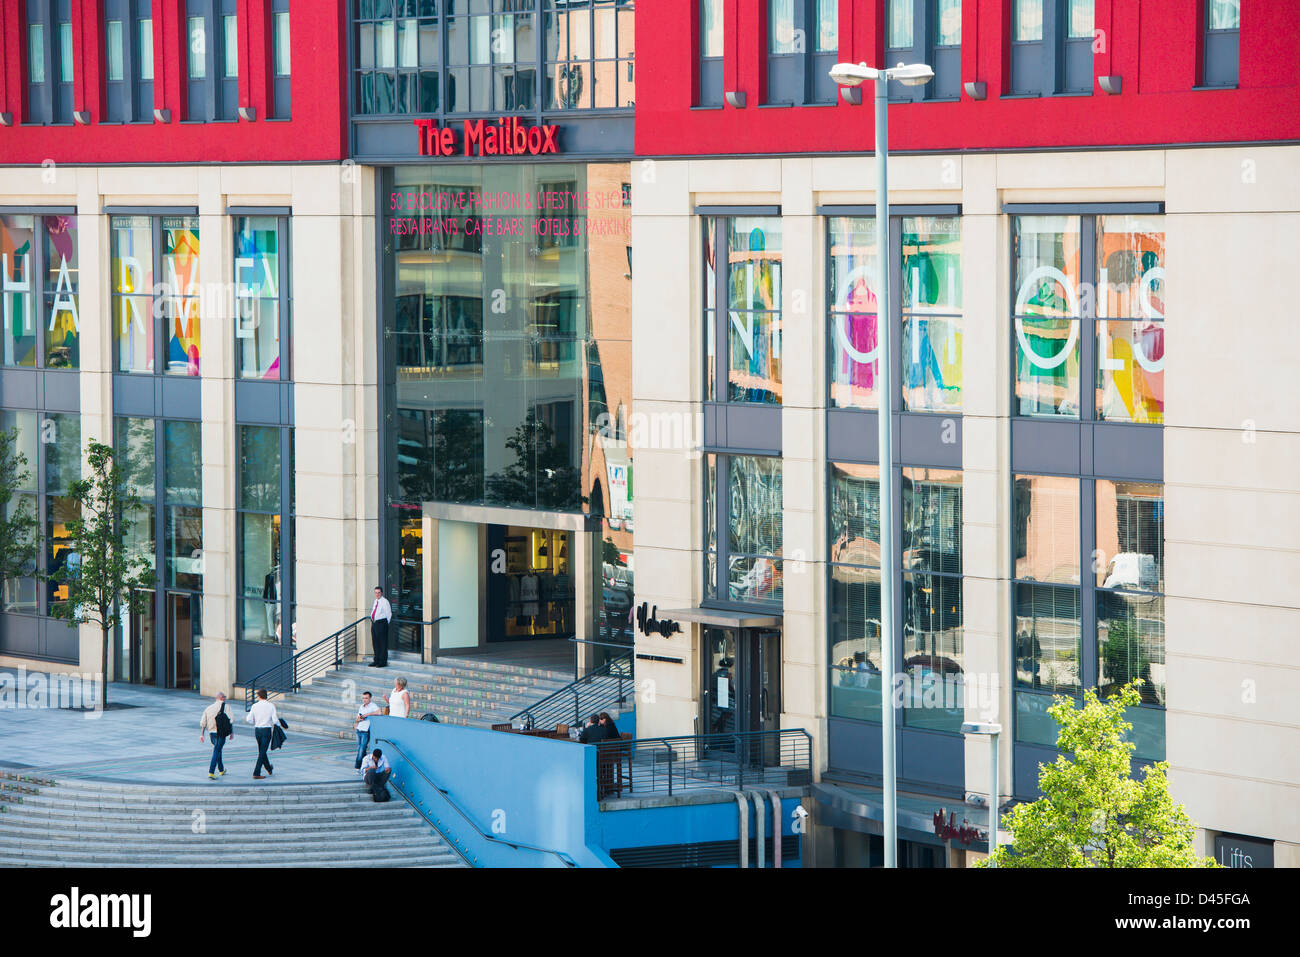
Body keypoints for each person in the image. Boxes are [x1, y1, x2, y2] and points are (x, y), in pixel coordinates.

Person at [245, 688, 280, 779]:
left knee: (262, 751)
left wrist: (255, 721)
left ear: (259, 696)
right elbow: (275, 720)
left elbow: (249, 719)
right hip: (266, 730)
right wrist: (278, 725)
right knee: (262, 751)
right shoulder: (271, 705)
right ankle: (256, 772)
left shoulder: (254, 706)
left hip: (257, 730)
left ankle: (268, 768)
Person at [199, 691, 233, 779]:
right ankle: (211, 771)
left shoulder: (208, 708)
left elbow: (203, 722)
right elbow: (231, 720)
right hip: (221, 733)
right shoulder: (227, 707)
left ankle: (221, 770)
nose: (225, 698)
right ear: (221, 698)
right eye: (224, 697)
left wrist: (202, 734)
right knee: (217, 750)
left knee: (218, 749)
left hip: (212, 733)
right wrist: (231, 732)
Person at [354, 691, 382, 770]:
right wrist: (358, 719)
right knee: (360, 749)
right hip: (359, 729)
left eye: (366, 698)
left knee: (362, 749)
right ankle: (365, 764)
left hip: (365, 731)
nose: (364, 700)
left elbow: (379, 712)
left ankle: (357, 766)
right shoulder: (361, 706)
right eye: (363, 698)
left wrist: (367, 714)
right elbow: (357, 717)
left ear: (370, 698)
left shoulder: (372, 706)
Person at [368, 585, 392, 667]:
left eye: (378, 593)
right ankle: (376, 660)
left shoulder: (385, 601)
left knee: (382, 644)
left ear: (381, 593)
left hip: (382, 624)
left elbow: (389, 614)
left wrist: (385, 624)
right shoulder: (375, 601)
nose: (377, 594)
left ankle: (382, 662)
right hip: (374, 623)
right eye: (376, 593)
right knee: (375, 643)